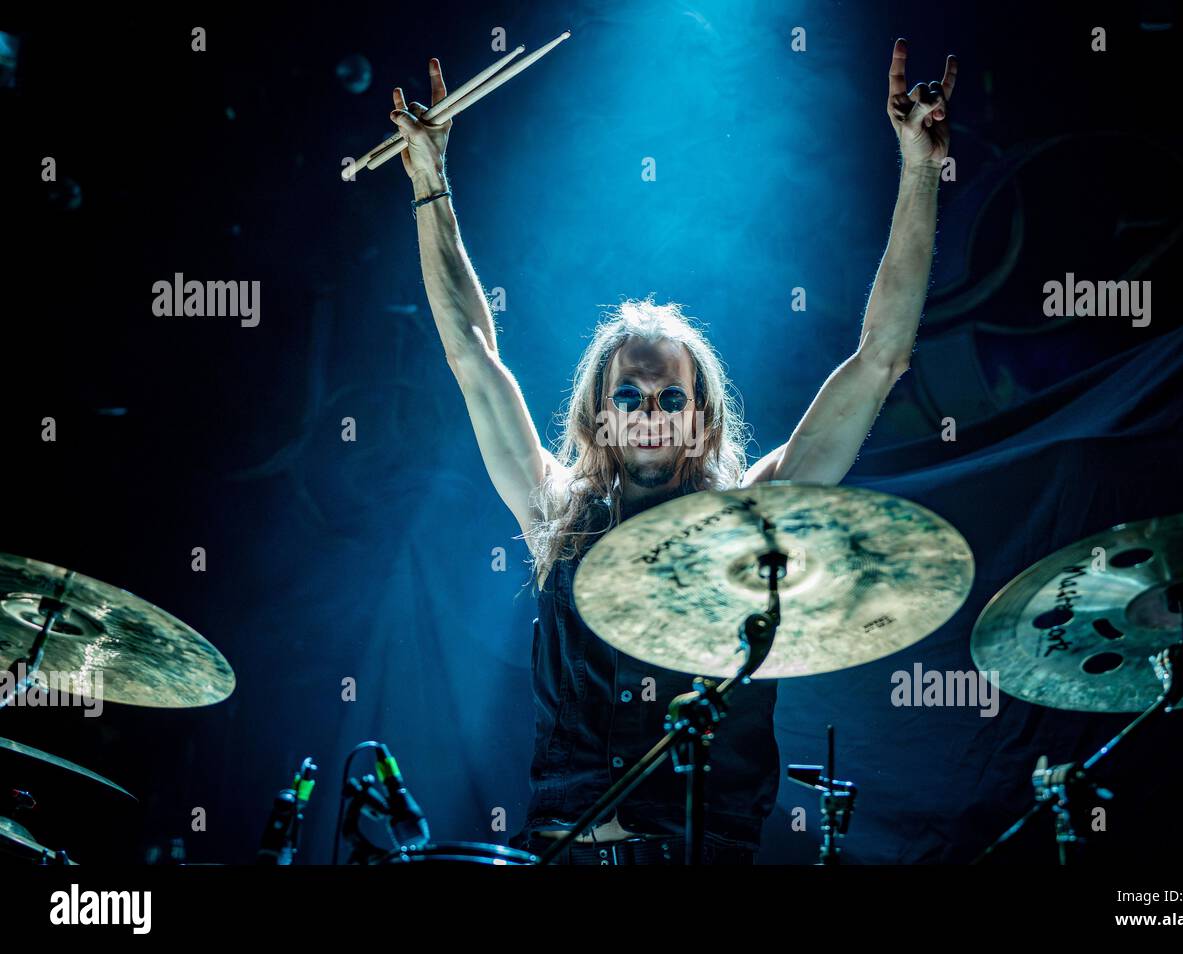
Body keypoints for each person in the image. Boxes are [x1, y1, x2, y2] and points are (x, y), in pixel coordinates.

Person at [387, 38, 956, 864]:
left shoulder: (752, 516)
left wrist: (916, 170)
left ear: (703, 416)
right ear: (597, 416)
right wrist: (427, 180)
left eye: (669, 398)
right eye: (628, 397)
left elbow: (878, 362)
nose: (649, 413)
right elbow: (474, 356)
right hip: (565, 847)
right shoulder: (557, 511)